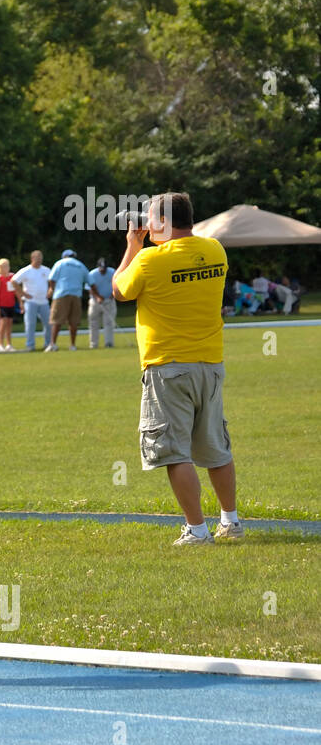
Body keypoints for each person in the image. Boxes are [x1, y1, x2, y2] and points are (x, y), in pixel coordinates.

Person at [112, 192, 242, 545]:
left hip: (168, 366)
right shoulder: (215, 249)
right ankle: (229, 521)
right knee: (216, 448)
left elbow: (120, 291)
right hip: (211, 364)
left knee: (173, 452)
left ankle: (197, 530)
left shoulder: (150, 259)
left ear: (163, 223)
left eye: (152, 217)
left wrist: (132, 243)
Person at [45, 249, 89, 351]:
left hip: (61, 294)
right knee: (73, 322)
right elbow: (90, 280)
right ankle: (72, 345)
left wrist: (52, 289)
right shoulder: (80, 265)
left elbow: (51, 279)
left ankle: (53, 344)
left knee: (56, 320)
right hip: (76, 295)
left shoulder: (60, 263)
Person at [12, 250, 51, 351]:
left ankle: (48, 344)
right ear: (32, 259)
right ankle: (30, 345)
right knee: (30, 324)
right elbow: (14, 281)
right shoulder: (26, 271)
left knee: (48, 323)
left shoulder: (46, 270)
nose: (39, 261)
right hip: (30, 302)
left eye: (41, 258)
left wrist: (50, 292)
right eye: (37, 258)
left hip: (44, 302)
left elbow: (53, 281)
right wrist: (23, 294)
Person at [87, 257, 117, 349]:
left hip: (109, 301)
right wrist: (98, 297)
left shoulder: (113, 272)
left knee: (109, 323)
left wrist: (112, 296)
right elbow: (89, 288)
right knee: (93, 323)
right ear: (98, 267)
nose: (102, 271)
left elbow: (117, 286)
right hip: (95, 301)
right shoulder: (92, 274)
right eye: (101, 269)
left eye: (104, 269)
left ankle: (109, 343)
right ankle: (93, 344)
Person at [0, 258, 20, 352]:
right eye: (3, 266)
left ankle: (9, 344)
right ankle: (0, 344)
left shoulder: (13, 276)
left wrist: (20, 302)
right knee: (3, 324)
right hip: (2, 304)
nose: (5, 268)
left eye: (6, 266)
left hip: (11, 304)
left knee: (9, 324)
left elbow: (16, 290)